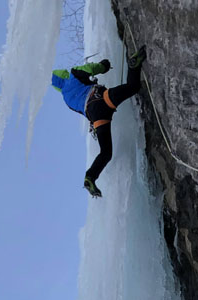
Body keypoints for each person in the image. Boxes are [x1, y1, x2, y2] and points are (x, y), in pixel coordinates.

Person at [51, 45, 147, 198]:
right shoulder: (74, 74)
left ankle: (90, 177)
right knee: (132, 86)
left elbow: (81, 111)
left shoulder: (66, 100)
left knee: (106, 152)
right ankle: (133, 65)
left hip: (96, 117)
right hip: (100, 99)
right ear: (62, 74)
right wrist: (104, 66)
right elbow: (90, 69)